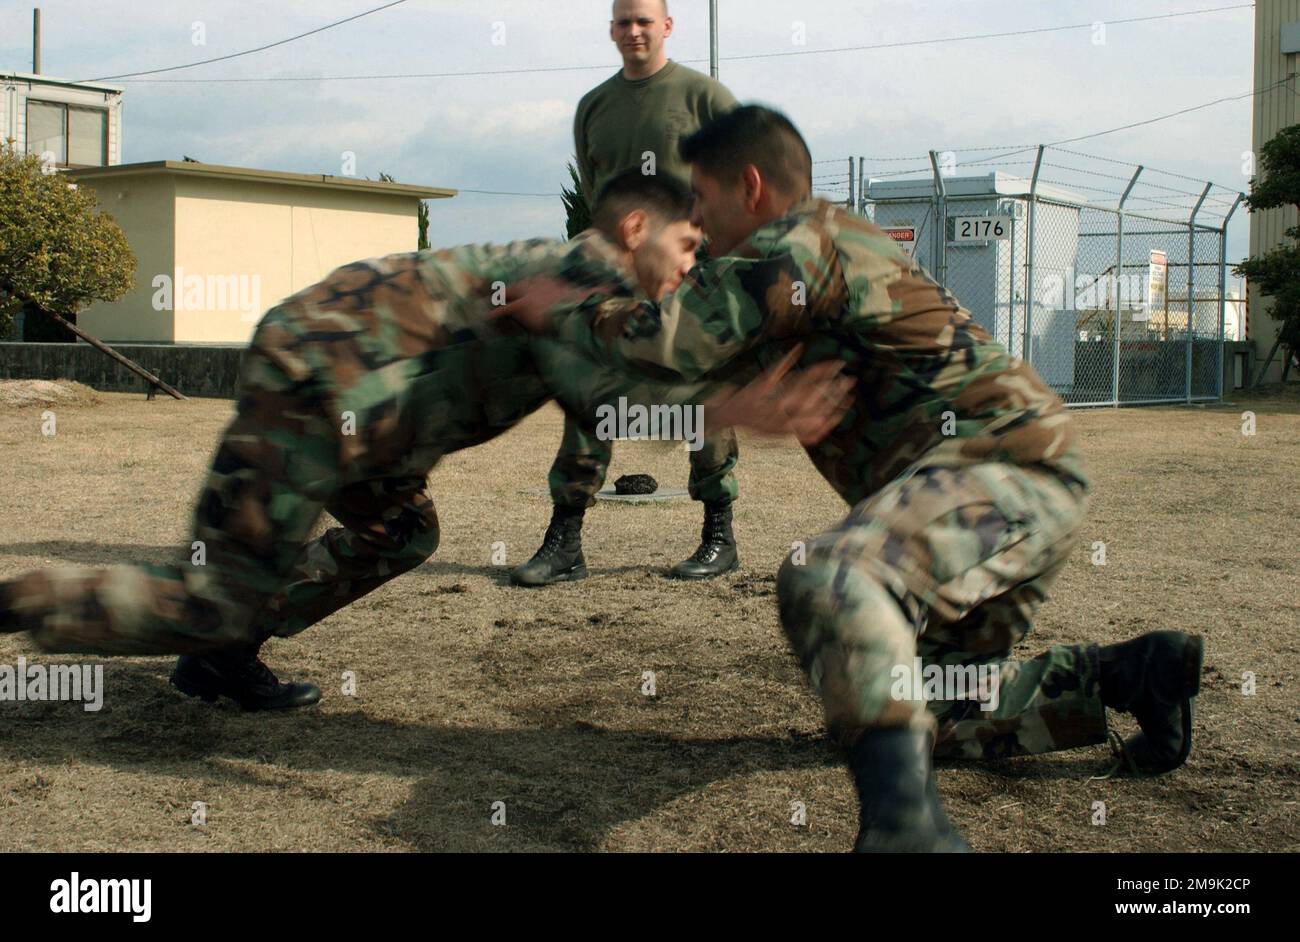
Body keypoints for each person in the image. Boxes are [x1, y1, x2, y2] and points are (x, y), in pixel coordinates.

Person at [496, 106, 1205, 852]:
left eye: (703, 199)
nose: (696, 221)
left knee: (830, 578)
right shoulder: (788, 276)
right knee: (932, 712)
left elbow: (672, 339)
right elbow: (679, 387)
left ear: (752, 185)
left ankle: (909, 834)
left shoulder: (802, 242)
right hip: (1005, 485)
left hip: (1002, 467)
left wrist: (571, 310)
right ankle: (1132, 675)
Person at [0, 170, 853, 712]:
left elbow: (603, 386)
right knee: (211, 592)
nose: (690, 265)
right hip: (321, 386)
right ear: (638, 230)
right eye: (687, 244)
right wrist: (740, 409)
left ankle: (224, 655)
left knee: (402, 532)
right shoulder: (589, 269)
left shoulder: (588, 283)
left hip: (372, 424)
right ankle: (33, 603)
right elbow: (570, 334)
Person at [513, 0, 743, 587]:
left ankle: (720, 536)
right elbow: (596, 196)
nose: (634, 30)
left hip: (692, 273)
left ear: (667, 26)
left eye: (645, 20)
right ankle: (565, 541)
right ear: (612, 31)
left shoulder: (705, 99)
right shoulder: (594, 107)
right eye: (623, 21)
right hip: (613, 278)